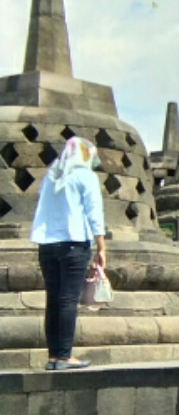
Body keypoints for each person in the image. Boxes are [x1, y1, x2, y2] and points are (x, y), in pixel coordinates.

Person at [29, 137, 107, 371]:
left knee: (54, 300)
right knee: (68, 300)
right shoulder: (86, 176)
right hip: (74, 244)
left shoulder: (51, 176)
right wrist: (102, 246)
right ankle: (64, 356)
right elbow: (95, 212)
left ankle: (55, 356)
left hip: (47, 244)